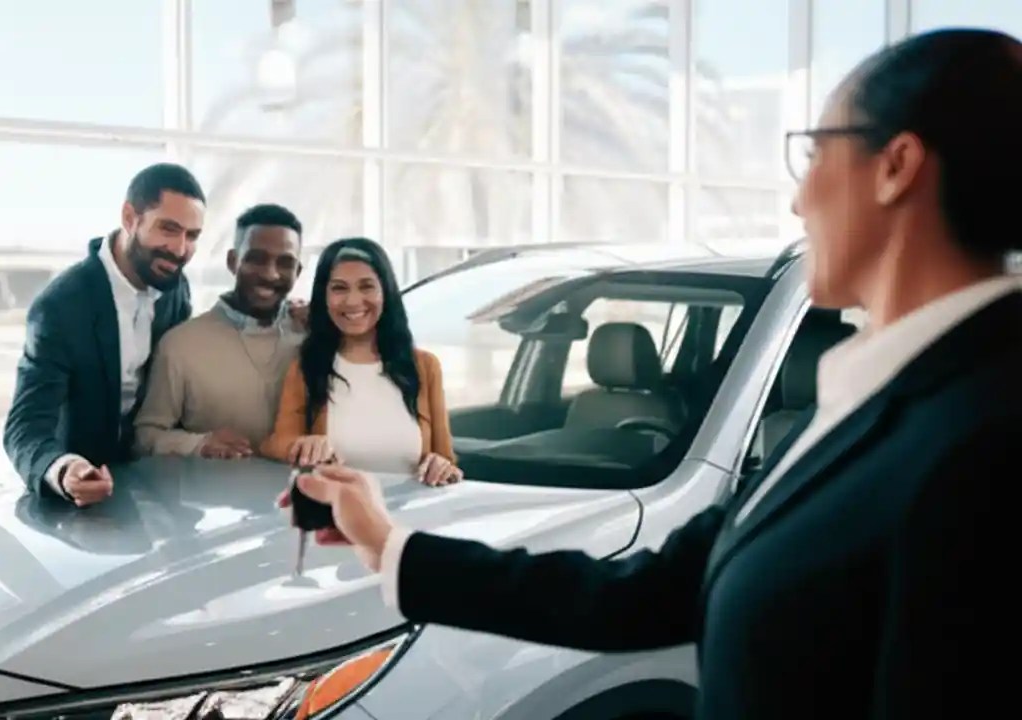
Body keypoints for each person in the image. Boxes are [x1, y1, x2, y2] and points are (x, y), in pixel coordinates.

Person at [280, 28, 1020, 719]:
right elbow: (646, 595)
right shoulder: (868, 397)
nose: (798, 198)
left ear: (895, 167)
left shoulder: (989, 433)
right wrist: (387, 541)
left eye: (817, 152)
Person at [3, 163, 205, 507]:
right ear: (130, 217)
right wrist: (64, 469)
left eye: (192, 235)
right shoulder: (61, 306)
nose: (179, 248)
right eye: (168, 229)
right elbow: (25, 426)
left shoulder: (173, 287)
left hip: (155, 488)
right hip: (81, 498)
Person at [260, 237, 461, 486]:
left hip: (408, 520)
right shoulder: (307, 366)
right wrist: (302, 444)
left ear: (385, 292)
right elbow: (276, 443)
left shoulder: (424, 367)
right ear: (324, 296)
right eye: (339, 288)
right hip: (334, 518)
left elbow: (448, 464)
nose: (353, 301)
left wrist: (444, 468)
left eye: (366, 286)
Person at [133, 203, 307, 459]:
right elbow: (144, 438)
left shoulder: (311, 337)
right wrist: (198, 444)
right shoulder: (181, 345)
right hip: (210, 497)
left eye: (285, 263)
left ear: (298, 271)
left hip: (302, 495)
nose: (270, 274)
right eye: (256, 259)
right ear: (233, 261)